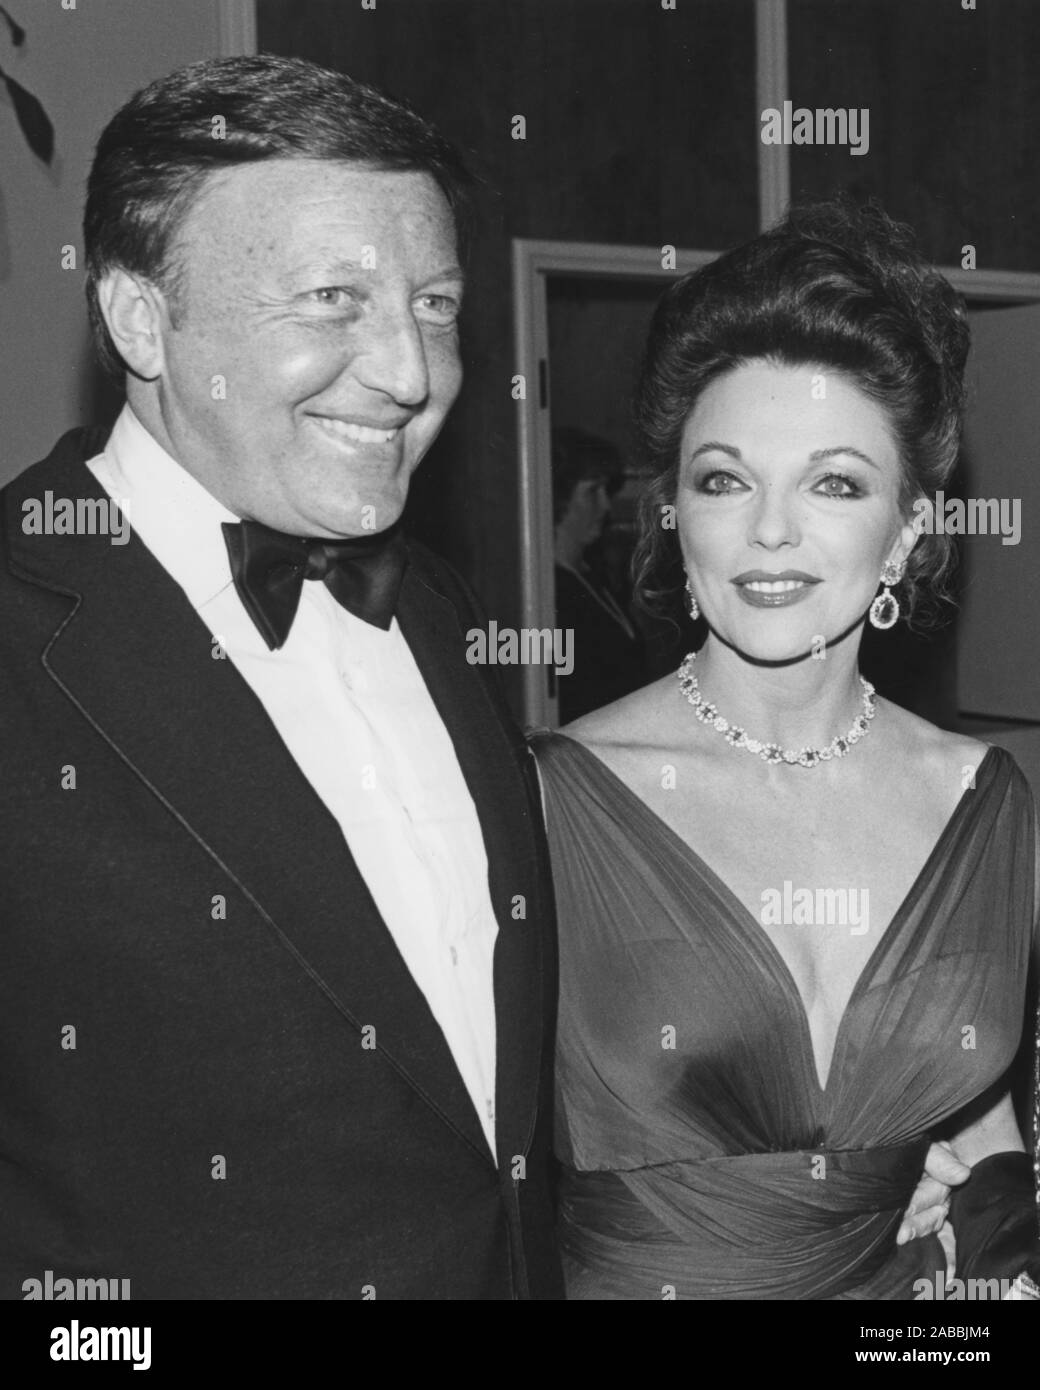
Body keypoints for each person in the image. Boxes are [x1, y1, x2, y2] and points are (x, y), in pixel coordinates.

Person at [0, 54, 562, 1300]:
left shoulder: (435, 608)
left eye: (431, 305)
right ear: (142, 319)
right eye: (330, 300)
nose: (410, 375)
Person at [531, 200, 1040, 1299]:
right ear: (672, 511)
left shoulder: (986, 802)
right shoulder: (543, 803)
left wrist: (998, 1241)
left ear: (906, 530)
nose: (768, 530)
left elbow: (992, 1129)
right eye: (722, 479)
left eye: (833, 482)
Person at [552, 427, 647, 722]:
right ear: (560, 497)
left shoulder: (592, 576)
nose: (606, 505)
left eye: (607, 491)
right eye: (593, 491)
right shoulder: (550, 591)